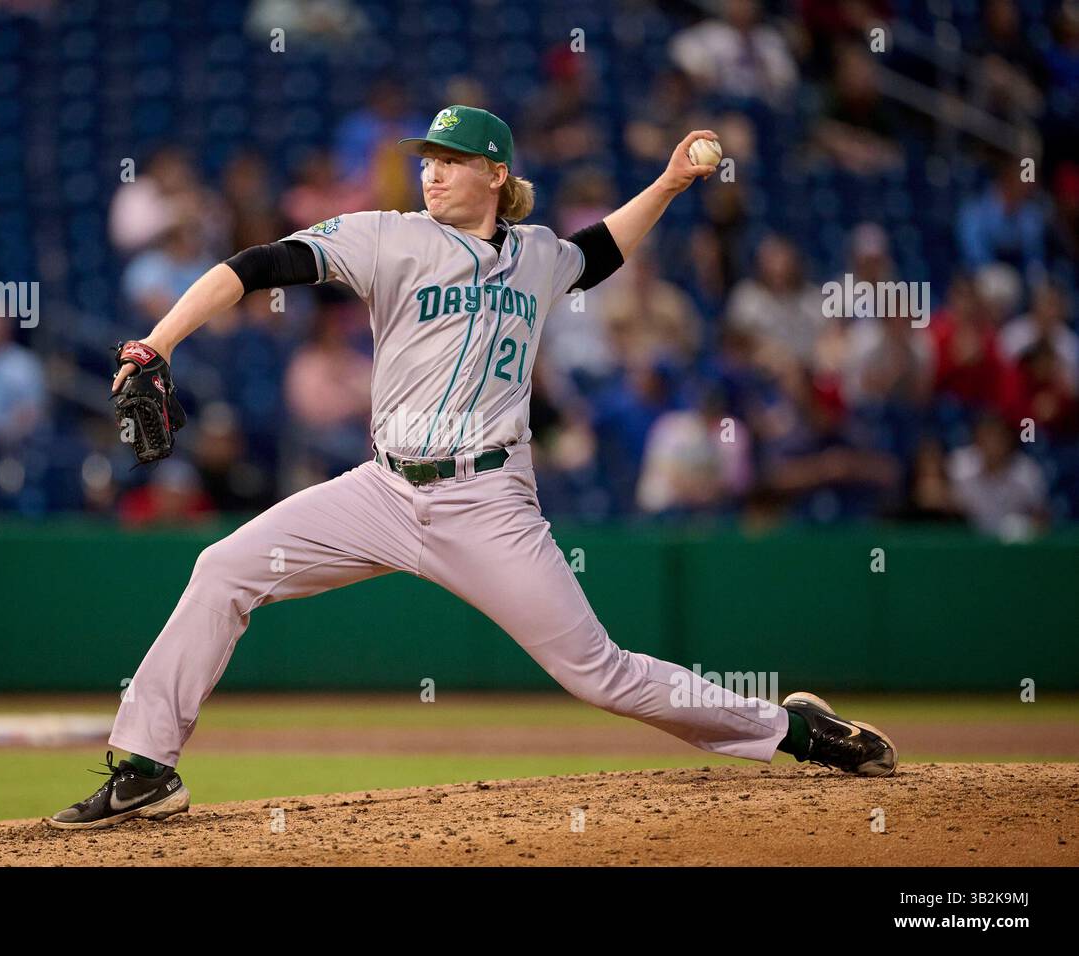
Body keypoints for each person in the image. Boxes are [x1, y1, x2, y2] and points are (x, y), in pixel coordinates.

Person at [49, 106, 896, 830]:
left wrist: (671, 183)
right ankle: (149, 768)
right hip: (381, 490)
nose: (432, 175)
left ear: (496, 172)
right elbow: (258, 265)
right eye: (427, 161)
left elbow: (599, 251)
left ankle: (792, 730)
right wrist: (157, 341)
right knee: (223, 566)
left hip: (489, 500)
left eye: (451, 162)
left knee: (597, 671)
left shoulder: (536, 254)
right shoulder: (388, 238)